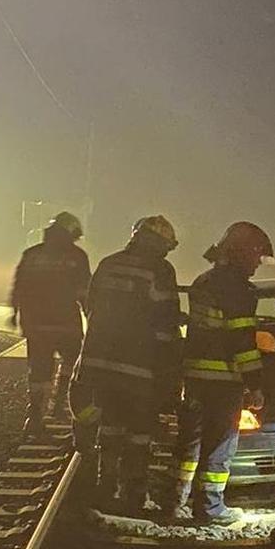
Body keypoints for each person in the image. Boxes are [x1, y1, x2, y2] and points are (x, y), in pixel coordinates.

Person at [70, 216, 181, 514]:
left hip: (99, 365)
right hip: (138, 367)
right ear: (160, 243)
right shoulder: (160, 270)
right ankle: (133, 495)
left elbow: (91, 307)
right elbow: (167, 323)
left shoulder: (108, 264)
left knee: (110, 426)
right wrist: (170, 368)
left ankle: (105, 486)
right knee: (139, 433)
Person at [173, 222, 274, 525]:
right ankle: (211, 508)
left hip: (194, 376)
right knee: (220, 443)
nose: (257, 264)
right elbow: (242, 342)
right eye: (256, 256)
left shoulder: (203, 281)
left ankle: (174, 501)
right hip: (223, 380)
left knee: (190, 441)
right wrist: (255, 384)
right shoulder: (239, 290)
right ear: (243, 253)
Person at [8, 211, 91, 437]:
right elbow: (84, 291)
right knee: (72, 361)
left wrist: (14, 312)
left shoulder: (32, 254)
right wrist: (90, 316)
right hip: (66, 322)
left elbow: (19, 285)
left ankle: (34, 416)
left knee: (38, 369)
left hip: (35, 323)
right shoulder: (77, 256)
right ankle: (59, 404)